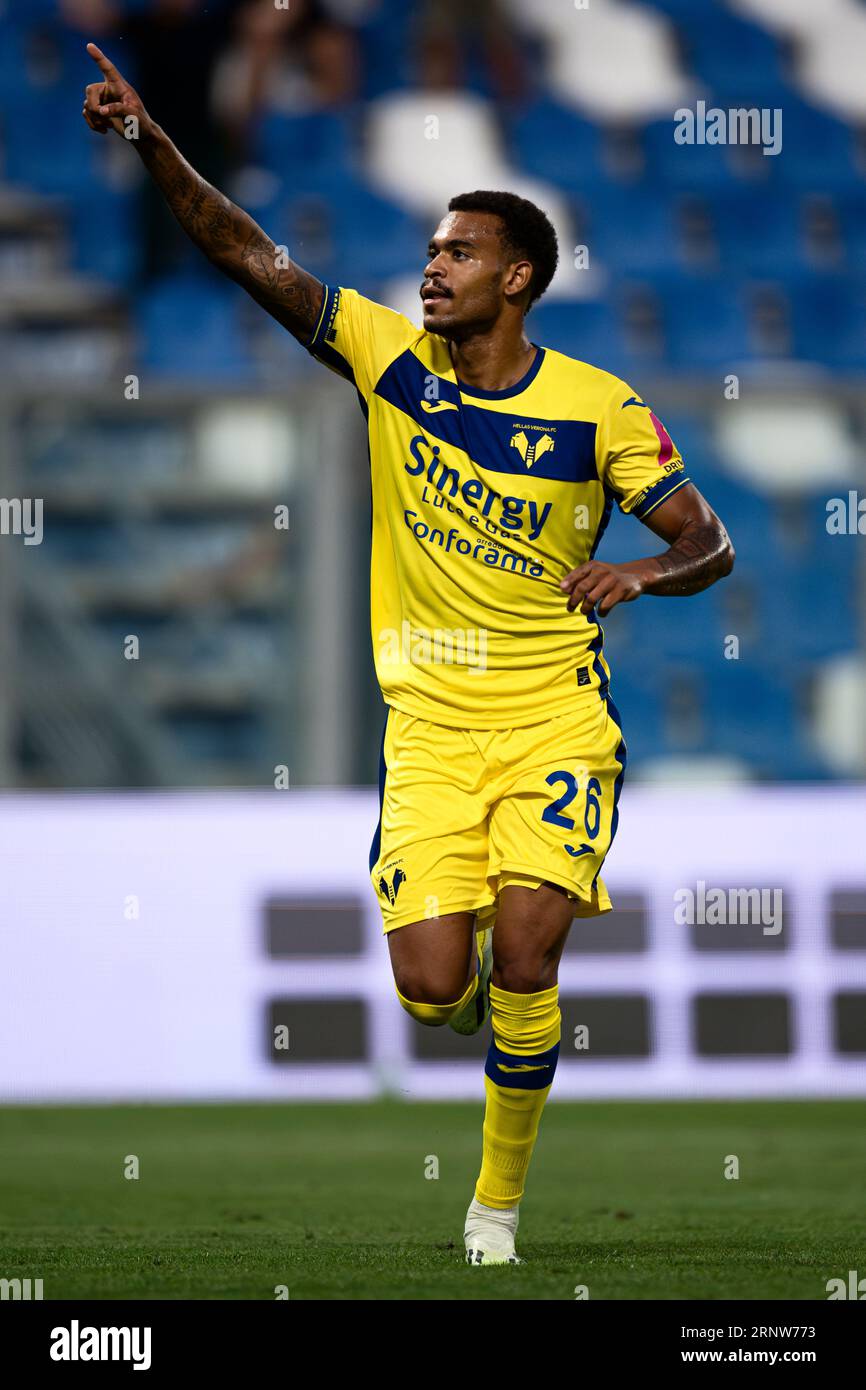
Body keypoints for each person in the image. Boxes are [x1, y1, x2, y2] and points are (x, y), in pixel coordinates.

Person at [82, 43, 734, 1265]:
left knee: (530, 942)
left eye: (458, 251)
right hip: (429, 731)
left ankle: (492, 1209)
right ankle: (497, 1020)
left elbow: (707, 542)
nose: (432, 265)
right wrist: (148, 138)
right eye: (432, 249)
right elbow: (242, 250)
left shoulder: (600, 409)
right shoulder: (387, 361)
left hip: (553, 721)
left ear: (518, 277)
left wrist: (637, 572)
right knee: (436, 986)